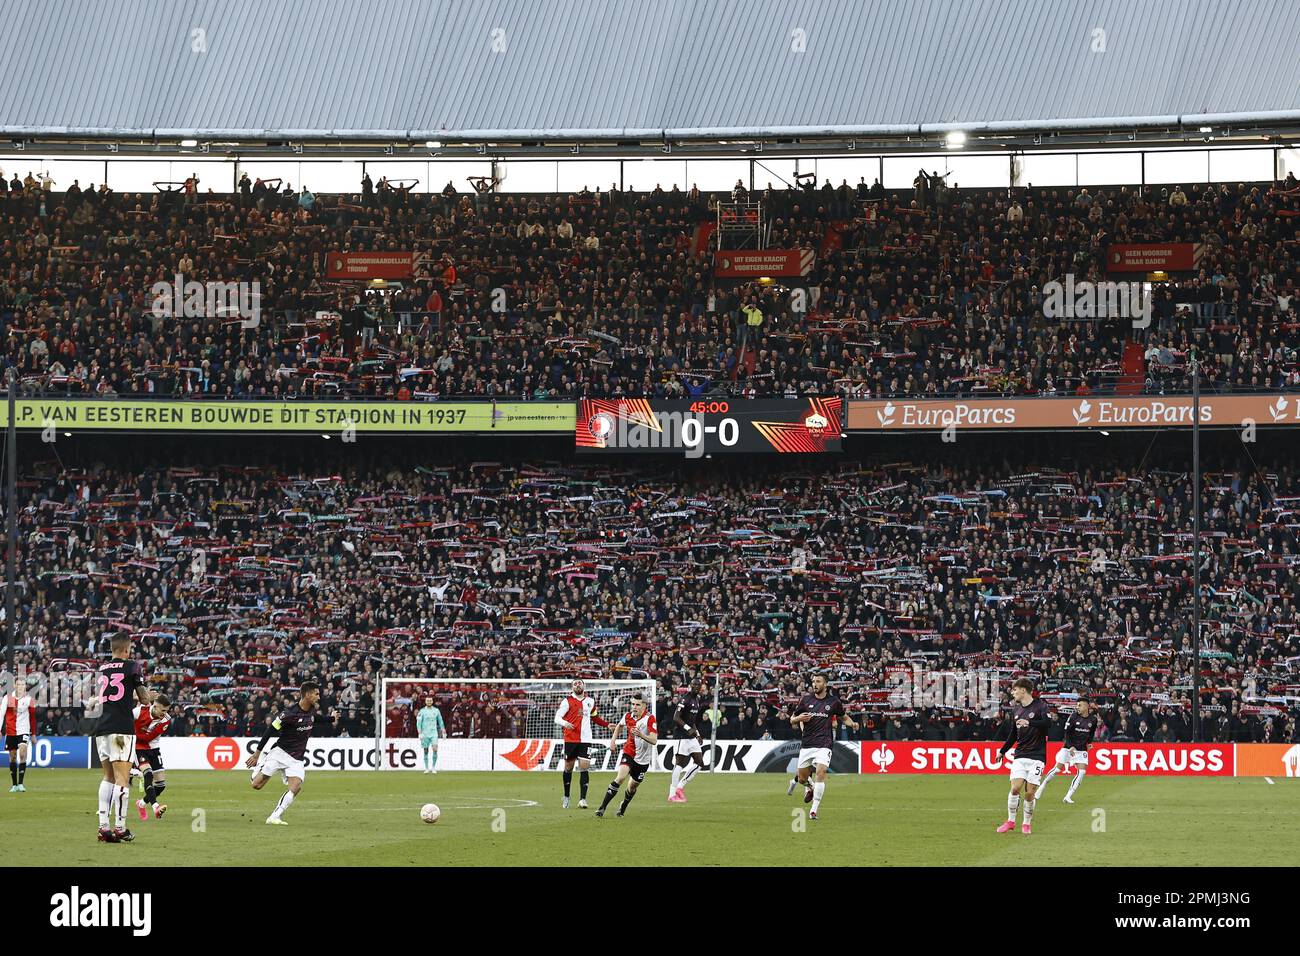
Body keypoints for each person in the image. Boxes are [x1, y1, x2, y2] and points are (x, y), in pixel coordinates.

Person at [93, 635, 152, 843]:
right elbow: (144, 698)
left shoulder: (102, 669)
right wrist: (147, 696)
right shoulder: (132, 666)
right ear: (126, 650)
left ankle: (103, 828)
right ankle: (120, 827)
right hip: (121, 729)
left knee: (107, 777)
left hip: (101, 728)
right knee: (122, 779)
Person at [785, 672, 858, 820]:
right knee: (802, 778)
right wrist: (799, 718)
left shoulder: (834, 702)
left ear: (825, 684)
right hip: (807, 744)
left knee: (821, 772)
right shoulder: (806, 700)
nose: (815, 684)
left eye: (818, 681)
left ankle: (814, 810)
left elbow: (843, 717)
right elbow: (792, 720)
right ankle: (809, 786)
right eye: (813, 682)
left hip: (824, 744)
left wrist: (852, 723)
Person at [246, 681, 319, 825]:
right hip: (279, 753)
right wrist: (257, 754)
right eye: (316, 694)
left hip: (296, 759)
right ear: (308, 695)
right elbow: (270, 730)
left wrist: (332, 718)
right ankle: (261, 764)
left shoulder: (311, 710)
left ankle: (274, 816)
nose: (318, 697)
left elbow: (317, 719)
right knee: (256, 785)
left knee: (296, 787)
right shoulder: (289, 713)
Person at [995, 678, 1053, 834]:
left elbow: (1048, 724)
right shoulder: (1016, 710)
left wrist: (1030, 722)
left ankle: (1026, 823)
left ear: (1023, 690)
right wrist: (1003, 750)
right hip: (1020, 755)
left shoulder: (1041, 706)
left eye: (1014, 690)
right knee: (1015, 788)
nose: (1013, 693)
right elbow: (1013, 734)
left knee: (1029, 793)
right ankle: (1010, 821)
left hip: (1037, 756)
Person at [595, 693, 657, 818]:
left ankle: (623, 807)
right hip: (629, 753)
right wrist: (613, 741)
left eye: (637, 705)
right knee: (620, 778)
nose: (634, 707)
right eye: (633, 704)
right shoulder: (628, 716)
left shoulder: (650, 719)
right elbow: (619, 726)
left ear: (644, 706)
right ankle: (602, 808)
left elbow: (654, 740)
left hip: (643, 760)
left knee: (632, 787)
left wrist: (641, 735)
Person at [553, 678, 609, 809]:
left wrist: (607, 725)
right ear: (572, 687)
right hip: (570, 739)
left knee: (584, 766)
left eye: (579, 683)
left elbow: (595, 717)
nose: (577, 685)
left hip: (586, 739)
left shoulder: (591, 701)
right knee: (568, 768)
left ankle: (582, 799)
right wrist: (565, 723)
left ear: (584, 686)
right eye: (575, 684)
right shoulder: (567, 701)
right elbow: (557, 717)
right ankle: (566, 796)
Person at [1037, 698, 1099, 804]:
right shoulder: (1074, 716)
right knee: (1057, 769)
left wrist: (1089, 743)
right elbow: (1067, 733)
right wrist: (1070, 746)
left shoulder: (1093, 719)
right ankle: (1041, 787)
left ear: (1086, 706)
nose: (1077, 707)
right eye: (1077, 705)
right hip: (1068, 747)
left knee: (1082, 772)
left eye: (1080, 705)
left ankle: (1068, 796)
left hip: (1081, 749)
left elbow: (1091, 732)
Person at [133, 693, 173, 820]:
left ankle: (141, 803)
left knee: (161, 785)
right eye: (163, 710)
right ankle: (156, 807)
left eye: (167, 710)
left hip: (153, 749)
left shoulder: (166, 719)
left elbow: (148, 738)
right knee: (148, 774)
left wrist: (133, 734)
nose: (165, 713)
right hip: (138, 748)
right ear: (155, 706)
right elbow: (124, 720)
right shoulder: (139, 711)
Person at [668, 677, 707, 803]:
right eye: (694, 685)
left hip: (691, 737)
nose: (696, 687)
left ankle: (680, 786)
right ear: (690, 686)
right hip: (681, 737)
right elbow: (676, 717)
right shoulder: (685, 699)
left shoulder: (697, 700)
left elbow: (692, 721)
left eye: (698, 686)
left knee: (700, 763)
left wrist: (697, 734)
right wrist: (687, 728)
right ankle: (672, 794)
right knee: (679, 764)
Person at [2, 677, 37, 792]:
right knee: (12, 757)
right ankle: (14, 785)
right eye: (19, 684)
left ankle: (21, 783)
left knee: (22, 753)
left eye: (23, 684)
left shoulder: (29, 699)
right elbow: (1, 715)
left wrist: (33, 734)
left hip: (23, 730)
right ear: (15, 686)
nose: (21, 687)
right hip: (11, 731)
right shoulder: (7, 698)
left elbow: (32, 718)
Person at [416, 695, 446, 773]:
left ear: (432, 701)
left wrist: (443, 730)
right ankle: (426, 768)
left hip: (434, 733)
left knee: (435, 749)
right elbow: (418, 723)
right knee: (426, 751)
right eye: (427, 700)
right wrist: (419, 732)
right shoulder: (422, 711)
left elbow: (440, 721)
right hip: (425, 733)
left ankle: (433, 767)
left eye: (430, 700)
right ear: (425, 702)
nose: (429, 702)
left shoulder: (436, 710)